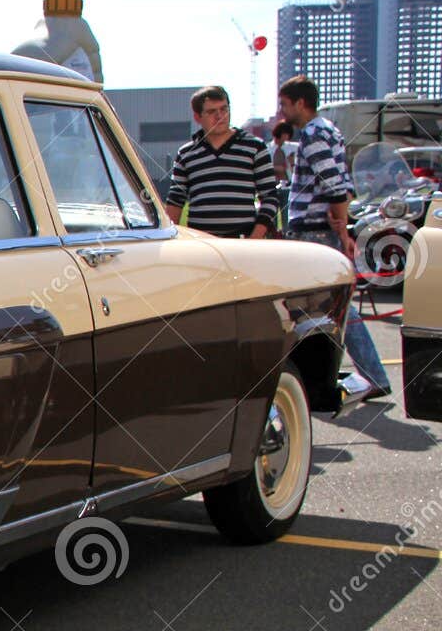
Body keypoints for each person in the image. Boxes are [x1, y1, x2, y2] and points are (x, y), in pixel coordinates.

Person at [279, 75, 392, 398]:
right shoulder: (330, 130)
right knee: (329, 306)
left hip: (313, 230)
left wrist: (341, 230)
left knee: (328, 307)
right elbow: (343, 183)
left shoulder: (313, 134)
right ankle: (346, 374)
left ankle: (355, 375)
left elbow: (333, 184)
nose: (283, 111)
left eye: (285, 105)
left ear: (300, 103)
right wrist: (342, 229)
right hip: (320, 228)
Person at [161, 87, 277, 238]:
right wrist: (170, 239)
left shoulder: (255, 147)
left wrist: (254, 239)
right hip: (201, 243)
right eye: (211, 112)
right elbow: (175, 201)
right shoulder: (186, 153)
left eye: (224, 109)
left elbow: (270, 197)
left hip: (243, 240)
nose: (220, 116)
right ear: (197, 117)